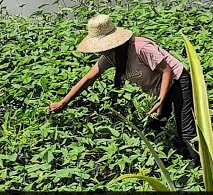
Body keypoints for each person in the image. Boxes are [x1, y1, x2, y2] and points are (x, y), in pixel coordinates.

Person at [48, 14, 200, 164]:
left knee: (186, 129)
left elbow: (167, 70)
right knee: (154, 126)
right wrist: (63, 102)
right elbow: (88, 78)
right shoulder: (110, 56)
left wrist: (161, 100)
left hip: (178, 80)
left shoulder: (141, 48)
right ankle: (167, 157)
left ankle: (198, 166)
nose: (100, 51)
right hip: (159, 88)